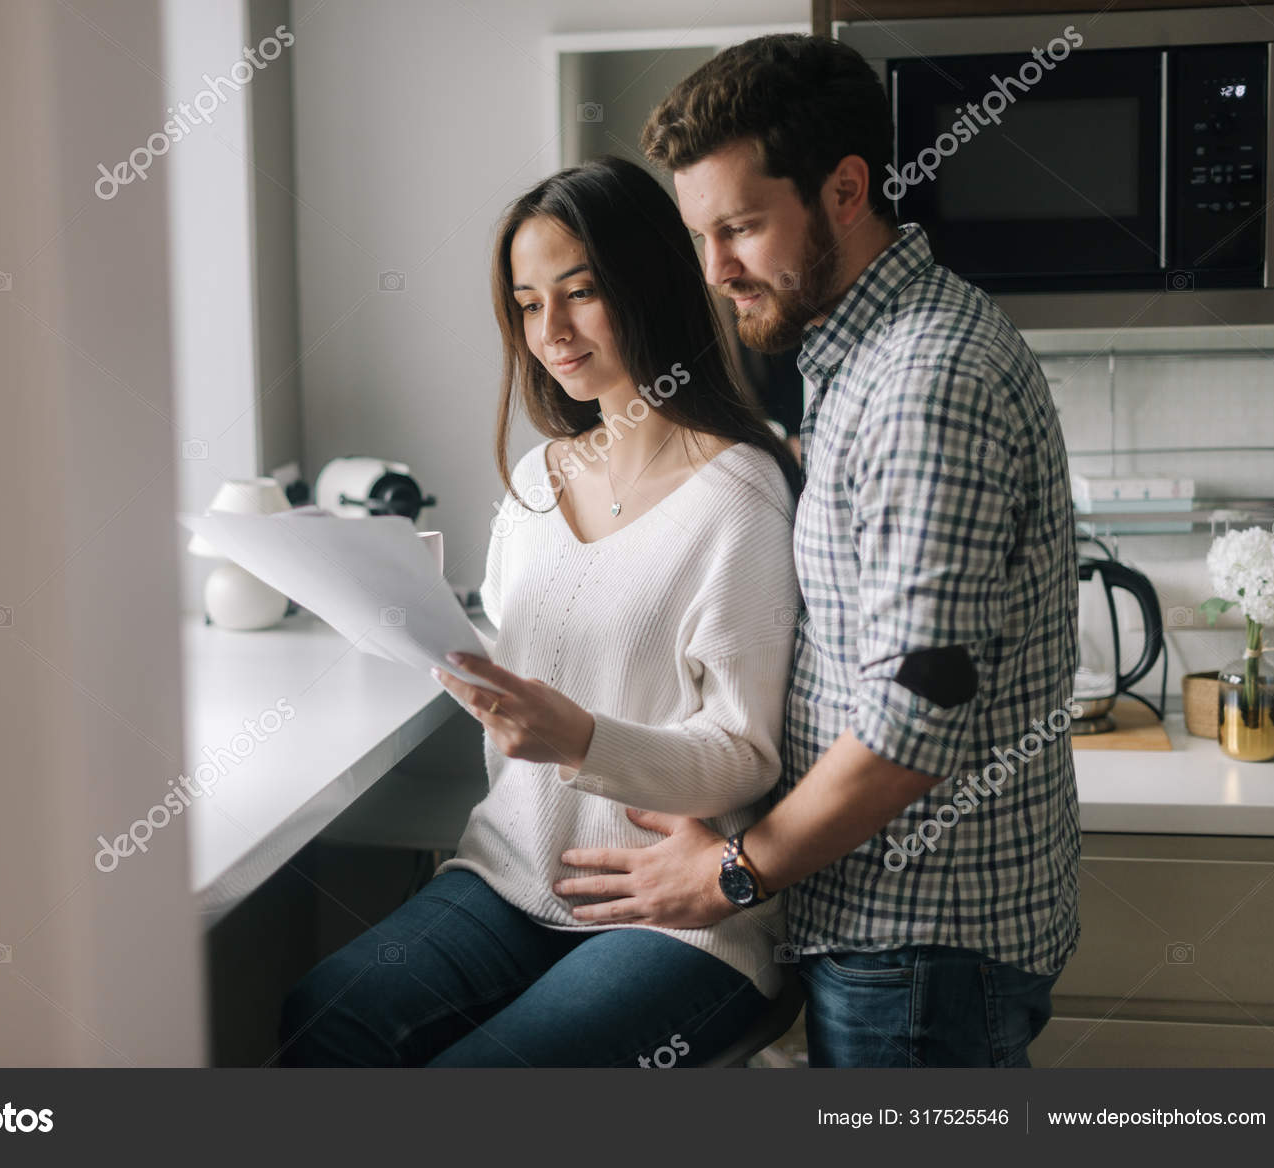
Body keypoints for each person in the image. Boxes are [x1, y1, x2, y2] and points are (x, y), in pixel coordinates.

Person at [555, 34, 1081, 1068]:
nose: (715, 271)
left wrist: (730, 875)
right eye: (701, 234)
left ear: (846, 190)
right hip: (900, 941)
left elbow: (912, 723)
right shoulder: (862, 360)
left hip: (921, 947)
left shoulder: (924, 383)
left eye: (741, 228)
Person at [277, 155, 803, 1067]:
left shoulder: (740, 497)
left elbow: (746, 755)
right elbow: (539, 658)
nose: (550, 329)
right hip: (512, 875)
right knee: (325, 1014)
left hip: (674, 914)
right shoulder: (534, 481)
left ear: (649, 286)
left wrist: (583, 741)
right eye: (526, 304)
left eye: (580, 291)